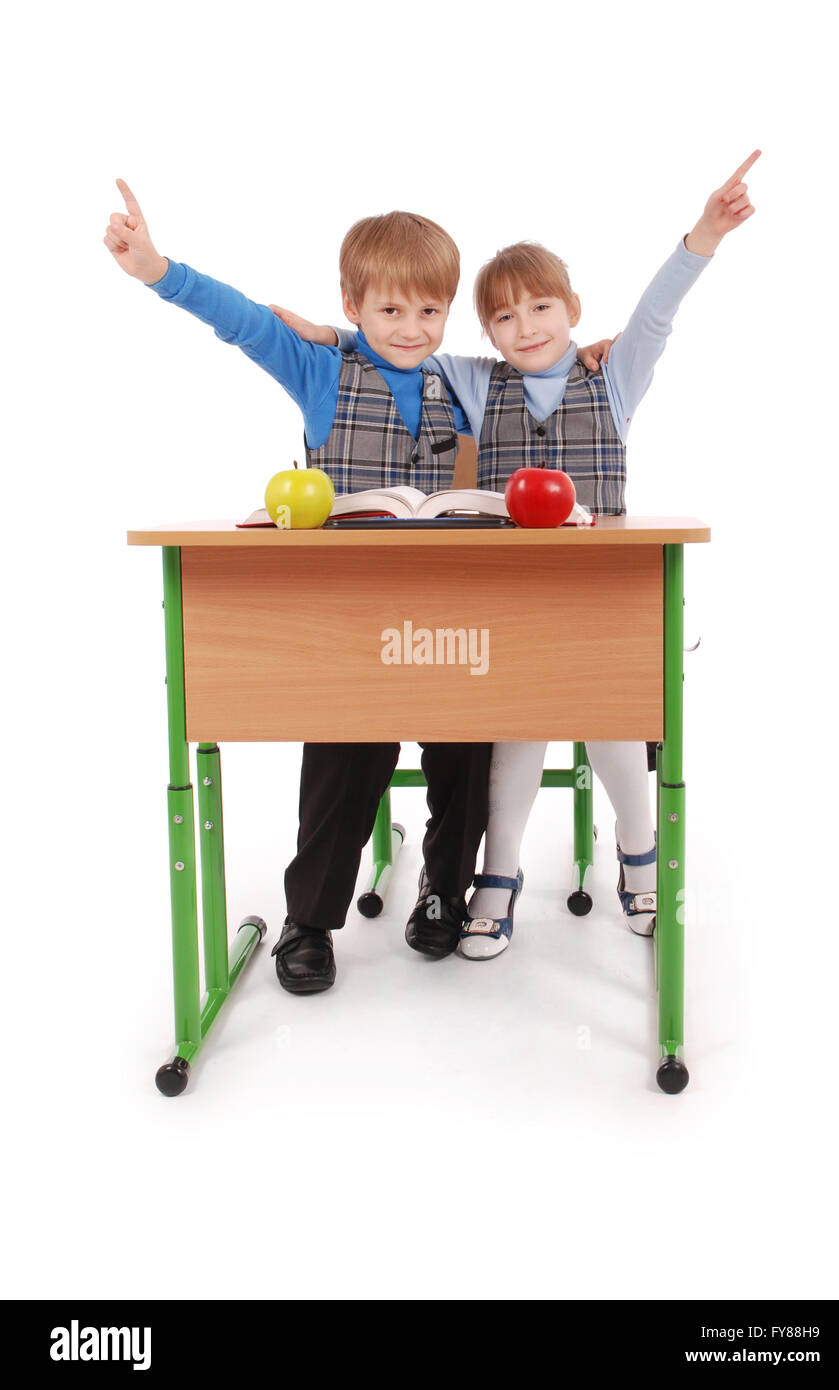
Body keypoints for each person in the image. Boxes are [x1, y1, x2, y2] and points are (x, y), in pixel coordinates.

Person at [277, 151, 760, 957]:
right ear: (487, 332)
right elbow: (401, 347)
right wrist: (332, 333)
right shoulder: (475, 383)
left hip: (601, 598)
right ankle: (495, 876)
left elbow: (654, 317)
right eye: (504, 317)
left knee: (608, 703)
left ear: (572, 309)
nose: (526, 327)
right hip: (511, 605)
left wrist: (703, 235)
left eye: (542, 308)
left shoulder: (615, 377)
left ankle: (638, 856)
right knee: (513, 714)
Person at [104, 179, 493, 993]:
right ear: (353, 303)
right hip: (347, 620)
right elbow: (243, 321)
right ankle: (309, 919)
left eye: (429, 312)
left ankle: (443, 892)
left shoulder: (462, 381)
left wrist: (595, 353)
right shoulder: (322, 369)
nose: (411, 330)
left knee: (469, 740)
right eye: (390, 312)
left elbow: (544, 364)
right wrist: (157, 268)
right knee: (346, 754)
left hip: (449, 613)